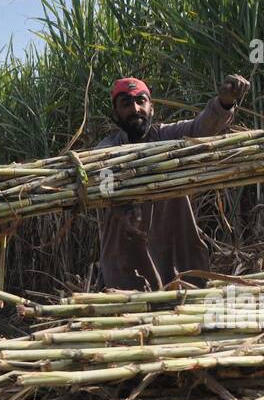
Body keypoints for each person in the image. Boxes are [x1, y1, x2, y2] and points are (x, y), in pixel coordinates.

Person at [95, 74, 250, 290]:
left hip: (176, 256)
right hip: (126, 264)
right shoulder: (106, 150)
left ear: (152, 108)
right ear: (115, 114)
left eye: (141, 101)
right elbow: (102, 182)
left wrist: (224, 103)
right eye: (126, 104)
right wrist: (123, 207)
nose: (135, 109)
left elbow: (201, 127)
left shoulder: (167, 137)